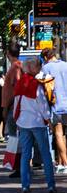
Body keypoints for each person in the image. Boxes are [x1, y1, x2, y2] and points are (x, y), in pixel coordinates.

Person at [13, 54, 56, 193]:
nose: (40, 67)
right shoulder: (36, 84)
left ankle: (25, 185)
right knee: (45, 154)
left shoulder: (20, 83)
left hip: (24, 122)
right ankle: (50, 184)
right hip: (37, 122)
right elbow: (42, 105)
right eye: (38, 65)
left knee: (25, 155)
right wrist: (48, 120)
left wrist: (16, 119)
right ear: (32, 68)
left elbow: (16, 103)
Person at [41, 45, 67, 176]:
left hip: (57, 106)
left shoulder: (46, 68)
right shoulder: (66, 65)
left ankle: (65, 164)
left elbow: (44, 89)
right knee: (63, 136)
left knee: (58, 134)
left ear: (46, 57)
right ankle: (61, 162)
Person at [2, 47, 24, 180]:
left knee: (14, 137)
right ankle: (19, 166)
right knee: (17, 136)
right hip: (15, 106)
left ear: (8, 53)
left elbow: (16, 86)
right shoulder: (18, 66)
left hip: (13, 106)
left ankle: (18, 166)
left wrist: (6, 107)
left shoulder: (15, 67)